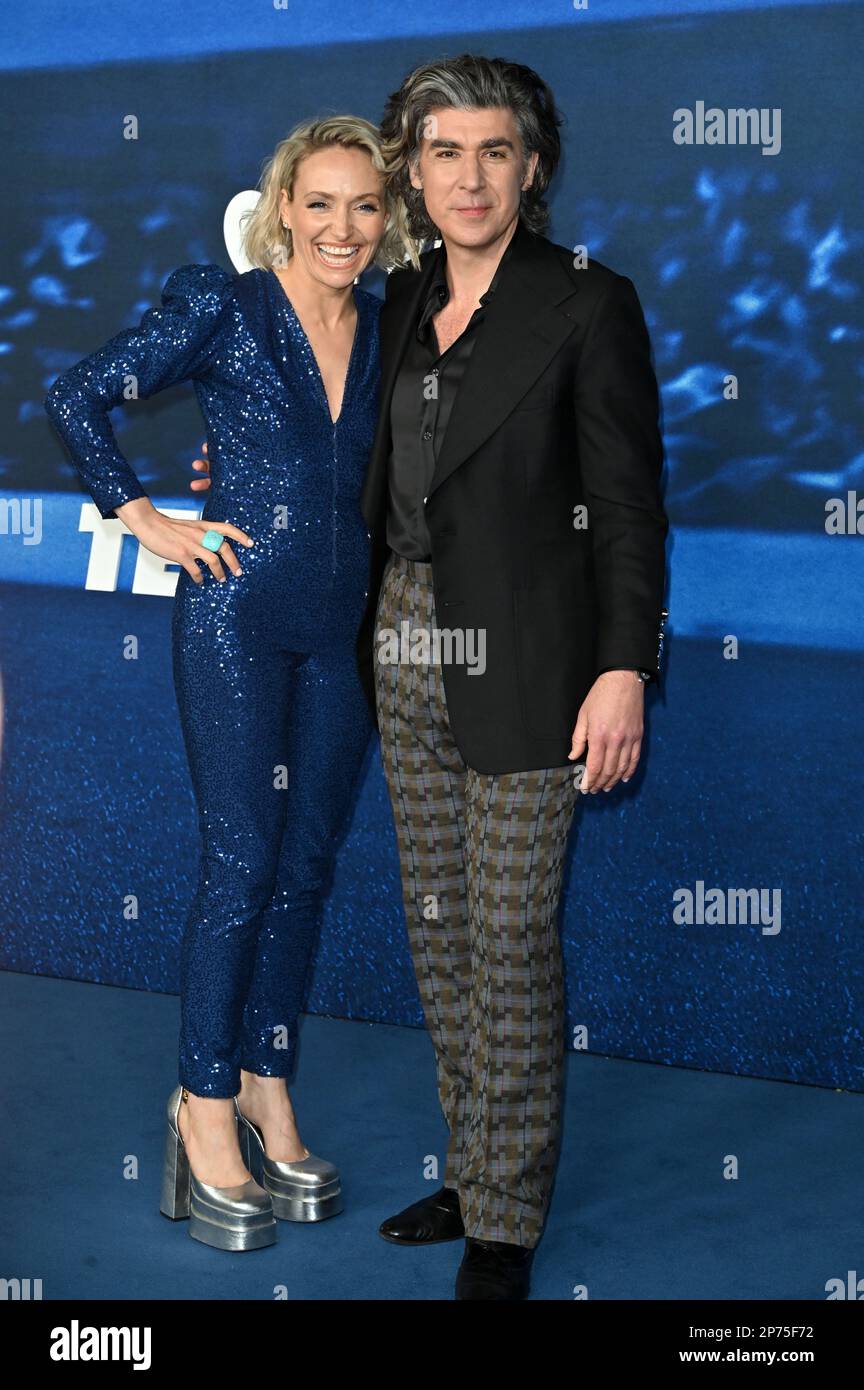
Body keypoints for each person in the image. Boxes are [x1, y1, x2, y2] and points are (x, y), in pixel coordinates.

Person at [44, 116, 419, 1252]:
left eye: (364, 206)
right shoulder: (225, 305)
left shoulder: (399, 320)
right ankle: (201, 1100)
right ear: (283, 207)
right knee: (242, 858)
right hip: (236, 619)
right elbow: (78, 392)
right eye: (321, 203)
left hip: (348, 629)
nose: (342, 228)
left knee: (306, 863)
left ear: (384, 217)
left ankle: (268, 1080)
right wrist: (141, 511)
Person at [354, 55, 670, 1300]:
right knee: (442, 934)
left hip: (539, 658)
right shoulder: (400, 297)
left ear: (532, 167)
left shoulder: (590, 302)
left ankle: (508, 1222)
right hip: (403, 637)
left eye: (494, 151)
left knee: (512, 938)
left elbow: (632, 511)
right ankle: (474, 1165)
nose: (468, 176)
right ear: (413, 171)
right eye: (444, 154)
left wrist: (622, 670)